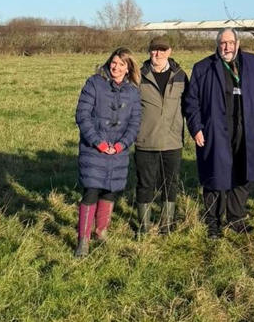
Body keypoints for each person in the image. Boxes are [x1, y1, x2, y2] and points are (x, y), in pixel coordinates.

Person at [183, 28, 254, 238]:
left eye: (231, 42)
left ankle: (236, 218)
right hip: (215, 130)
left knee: (243, 173)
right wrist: (196, 127)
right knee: (215, 176)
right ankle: (213, 222)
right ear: (217, 44)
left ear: (238, 43)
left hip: (246, 128)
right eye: (223, 43)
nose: (227, 47)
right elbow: (191, 101)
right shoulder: (203, 68)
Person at [74, 48, 142, 257]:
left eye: (122, 64)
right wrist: (98, 143)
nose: (116, 67)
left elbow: (135, 123)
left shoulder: (133, 92)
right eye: (114, 62)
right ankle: (83, 241)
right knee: (91, 191)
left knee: (110, 191)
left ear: (128, 68)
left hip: (118, 152)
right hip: (93, 150)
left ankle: (101, 231)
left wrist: (122, 145)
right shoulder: (94, 83)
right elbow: (82, 115)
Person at [134, 36, 189, 236]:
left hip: (172, 141)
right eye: (154, 49)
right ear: (149, 51)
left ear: (169, 51)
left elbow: (189, 106)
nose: (158, 53)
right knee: (145, 184)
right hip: (145, 140)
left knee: (170, 183)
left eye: (162, 49)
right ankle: (144, 226)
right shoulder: (138, 76)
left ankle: (167, 224)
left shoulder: (181, 75)